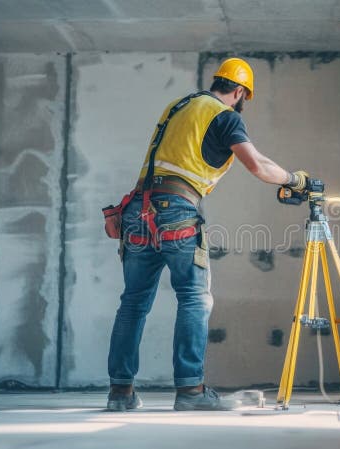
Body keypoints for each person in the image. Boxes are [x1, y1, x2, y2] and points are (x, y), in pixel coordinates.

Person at [106, 57, 309, 412]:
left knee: (133, 302)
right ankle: (191, 392)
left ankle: (120, 394)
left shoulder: (180, 105)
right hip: (177, 210)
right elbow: (257, 165)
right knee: (194, 298)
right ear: (239, 91)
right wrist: (296, 180)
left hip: (136, 210)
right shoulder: (225, 116)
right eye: (244, 96)